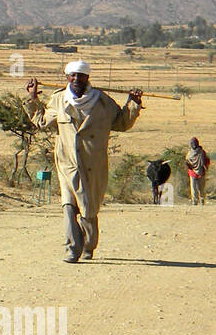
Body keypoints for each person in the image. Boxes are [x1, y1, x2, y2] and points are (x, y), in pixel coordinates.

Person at [24, 61, 142, 263]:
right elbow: (42, 121)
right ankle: (72, 248)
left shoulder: (103, 102)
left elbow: (122, 123)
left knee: (88, 209)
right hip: (67, 162)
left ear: (87, 77)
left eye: (81, 76)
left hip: (93, 164)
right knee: (68, 206)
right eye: (73, 75)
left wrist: (133, 103)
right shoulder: (58, 99)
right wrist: (33, 97)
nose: (76, 79)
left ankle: (88, 246)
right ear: (67, 77)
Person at [186, 137, 210, 206]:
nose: (193, 145)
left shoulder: (202, 152)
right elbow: (187, 161)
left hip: (201, 172)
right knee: (193, 188)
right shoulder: (189, 153)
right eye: (192, 143)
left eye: (194, 143)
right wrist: (187, 165)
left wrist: (205, 167)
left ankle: (202, 200)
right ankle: (194, 202)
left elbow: (207, 161)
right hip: (192, 172)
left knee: (201, 188)